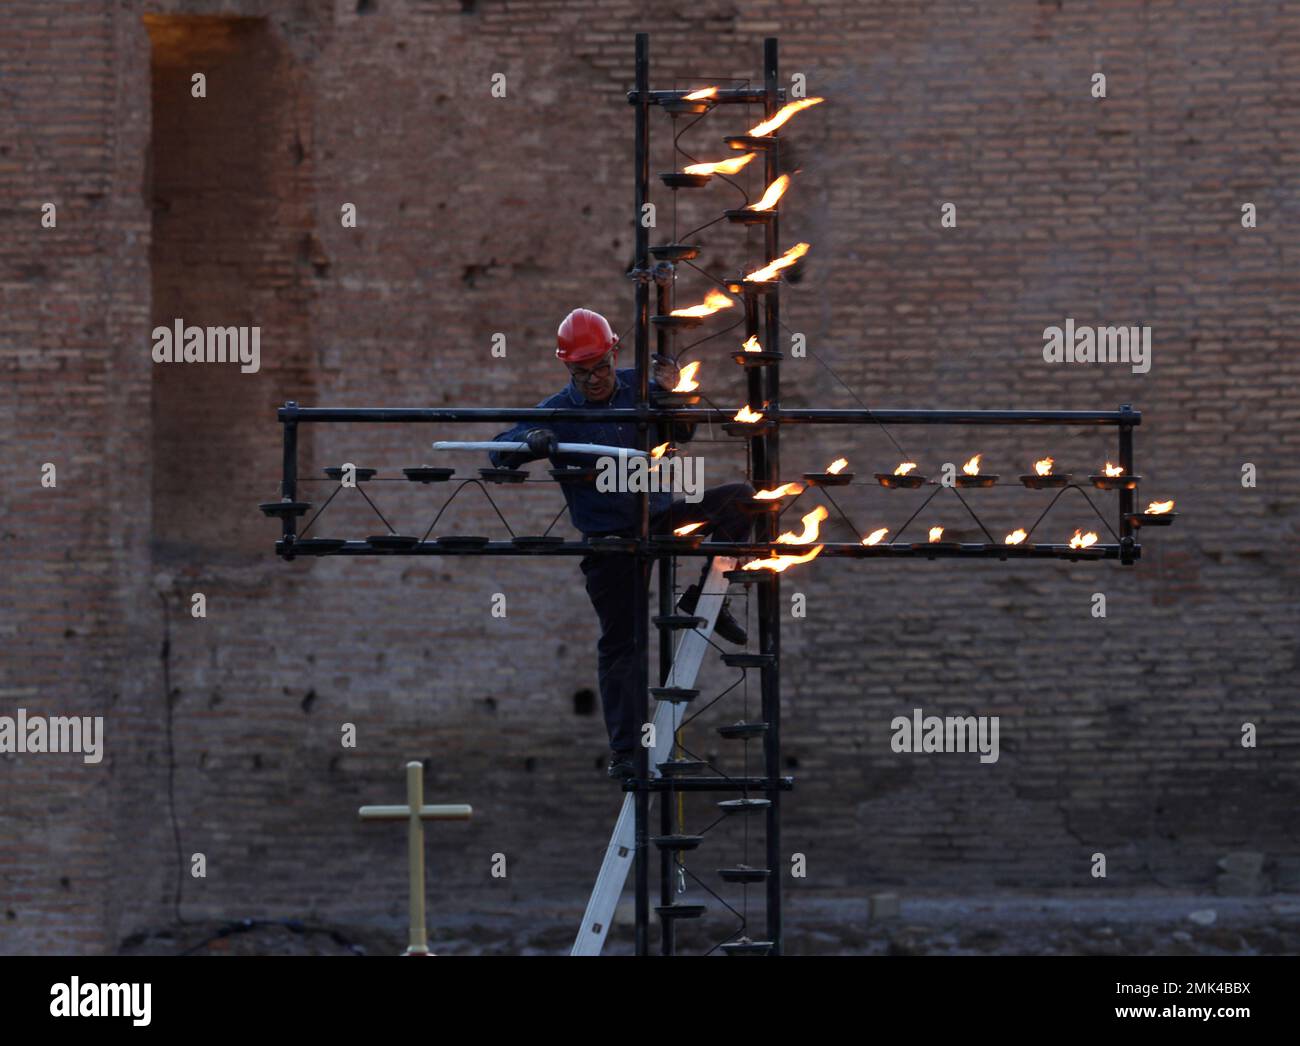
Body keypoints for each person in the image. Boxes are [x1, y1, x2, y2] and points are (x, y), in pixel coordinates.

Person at [489, 307, 754, 780]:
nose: (594, 379)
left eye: (601, 368)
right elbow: (500, 449)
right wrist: (531, 440)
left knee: (741, 501)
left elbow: (683, 432)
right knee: (623, 643)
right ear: (567, 367)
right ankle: (627, 752)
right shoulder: (559, 413)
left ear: (614, 353)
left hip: (662, 518)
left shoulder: (641, 388)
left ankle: (709, 594)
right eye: (581, 372)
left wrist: (675, 397)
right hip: (610, 539)